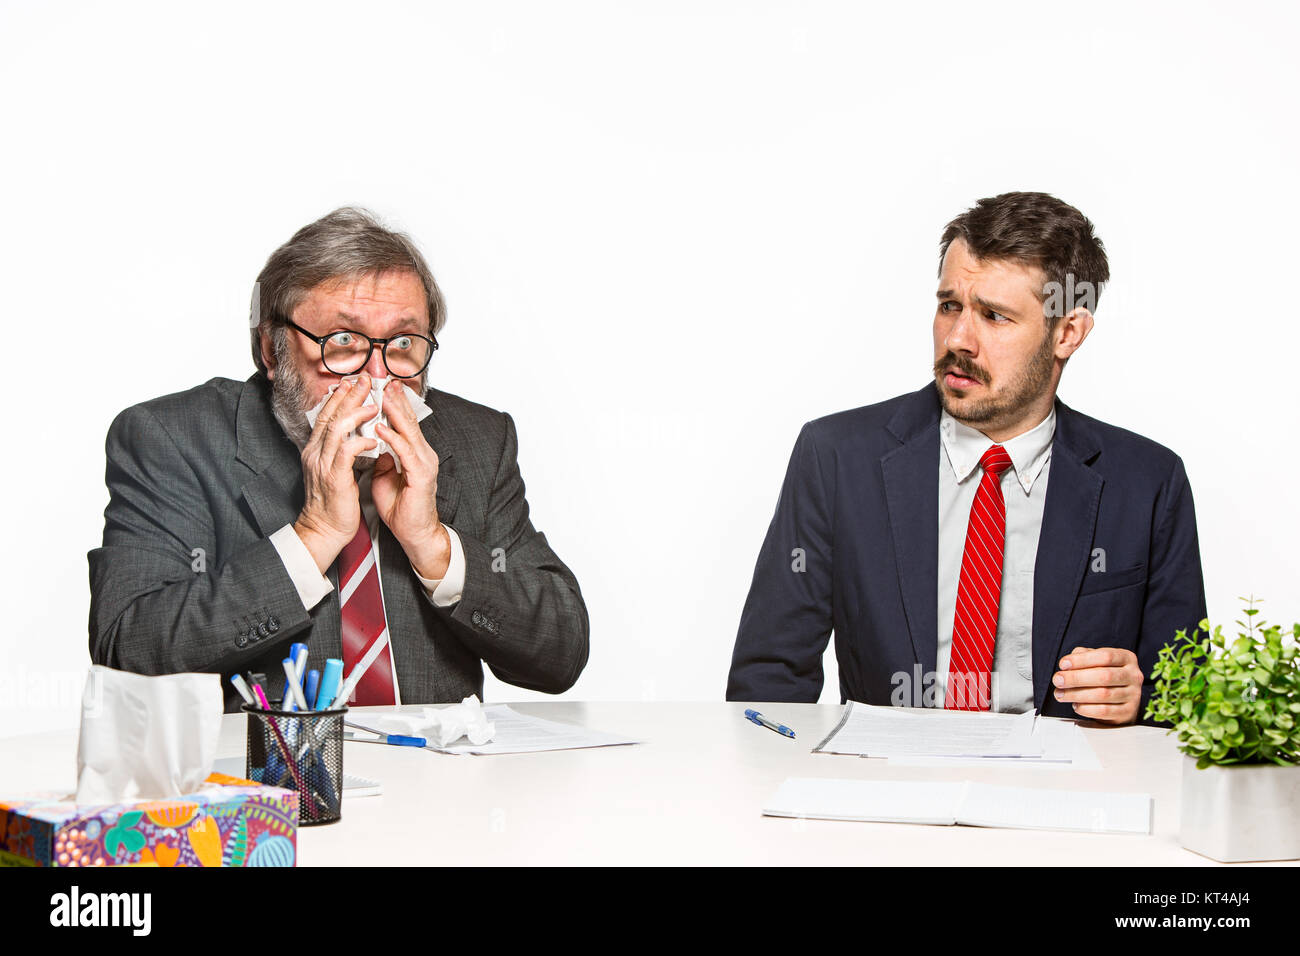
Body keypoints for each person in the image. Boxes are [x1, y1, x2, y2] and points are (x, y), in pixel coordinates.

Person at [726, 192, 1205, 724]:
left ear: (1067, 332)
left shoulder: (1147, 483)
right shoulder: (837, 458)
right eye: (950, 305)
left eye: (995, 316)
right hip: (886, 786)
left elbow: (1191, 702)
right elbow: (767, 681)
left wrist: (1142, 698)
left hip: (1064, 792)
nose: (958, 339)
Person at [89, 207, 589, 711]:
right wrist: (313, 538)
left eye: (401, 344)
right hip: (275, 780)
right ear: (271, 348)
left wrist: (435, 547)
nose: (376, 377)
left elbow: (561, 656)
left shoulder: (479, 438)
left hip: (440, 780)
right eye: (343, 342)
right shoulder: (173, 438)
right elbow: (127, 650)